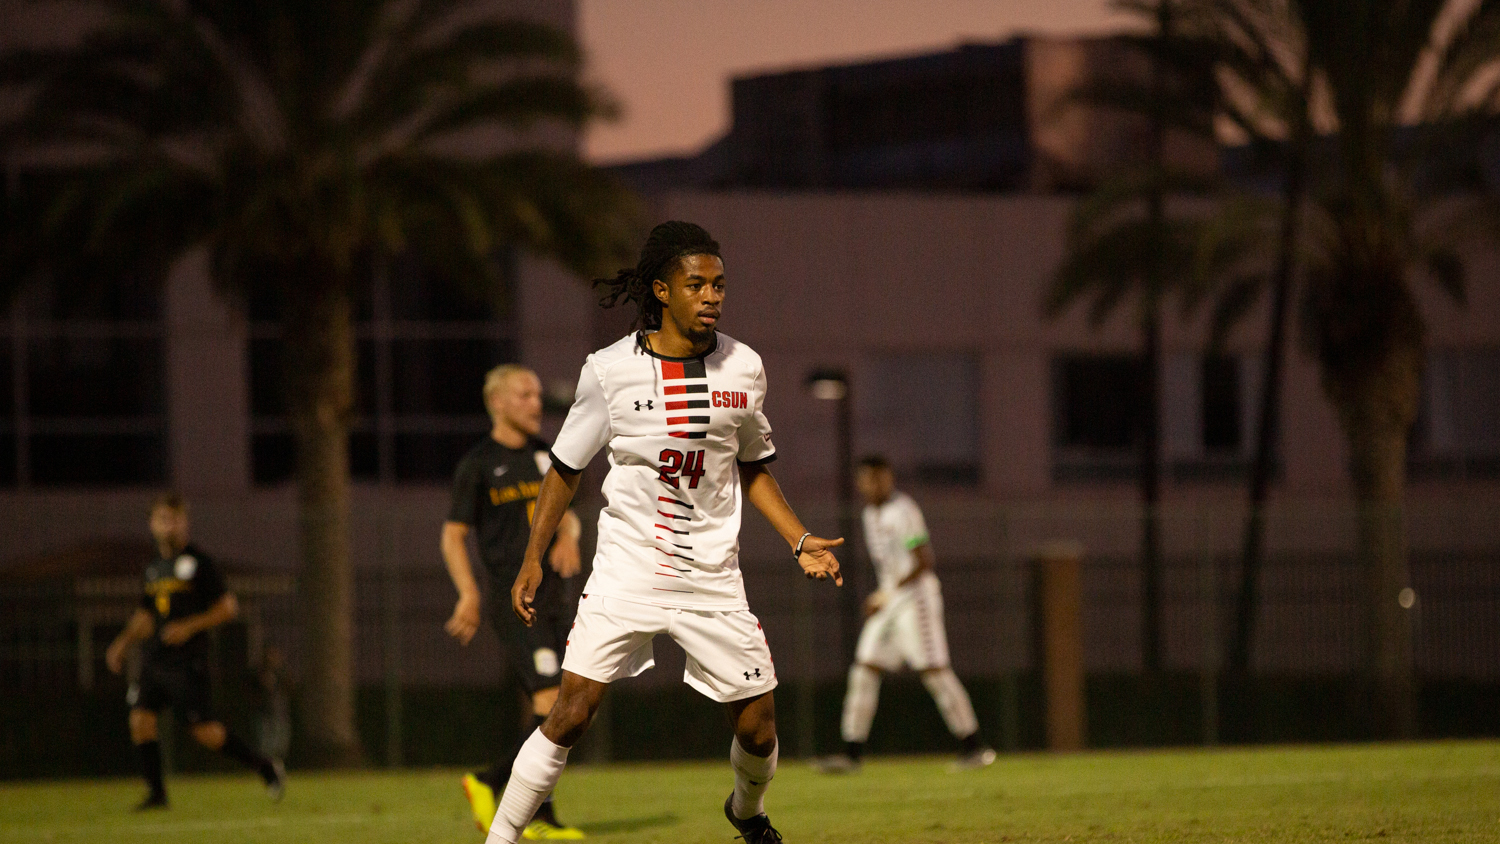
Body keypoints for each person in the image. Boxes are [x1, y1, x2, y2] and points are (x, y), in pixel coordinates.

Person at [482, 221, 844, 844]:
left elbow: (753, 466)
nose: (712, 296)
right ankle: (500, 840)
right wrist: (533, 557)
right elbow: (565, 472)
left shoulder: (744, 367)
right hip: (627, 572)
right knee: (569, 713)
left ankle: (747, 814)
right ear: (661, 290)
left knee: (759, 729)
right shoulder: (609, 371)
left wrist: (799, 538)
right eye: (696, 284)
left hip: (712, 577)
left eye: (720, 284)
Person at [444, 364, 586, 840]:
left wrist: (570, 535)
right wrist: (468, 593)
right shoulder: (479, 464)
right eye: (525, 395)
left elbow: (568, 512)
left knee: (556, 709)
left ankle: (516, 798)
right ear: (498, 403)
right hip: (516, 601)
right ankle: (515, 801)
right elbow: (453, 536)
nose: (535, 403)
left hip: (556, 600)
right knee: (556, 705)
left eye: (537, 394)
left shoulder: (547, 456)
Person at [813, 456, 996, 773]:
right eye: (869, 479)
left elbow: (924, 560)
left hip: (915, 600)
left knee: (935, 671)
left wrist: (887, 592)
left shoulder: (904, 510)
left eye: (880, 478)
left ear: (890, 478)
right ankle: (851, 754)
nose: (875, 485)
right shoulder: (870, 513)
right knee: (864, 669)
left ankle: (975, 748)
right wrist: (886, 594)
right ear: (860, 483)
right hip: (890, 601)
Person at [104, 493, 285, 809]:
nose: (168, 526)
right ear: (152, 525)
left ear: (184, 523)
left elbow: (228, 608)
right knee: (140, 720)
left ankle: (265, 766)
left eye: (174, 519)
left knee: (205, 732)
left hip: (188, 662)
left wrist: (190, 626)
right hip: (155, 660)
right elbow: (146, 615)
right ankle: (157, 795)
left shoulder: (201, 562)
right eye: (162, 519)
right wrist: (121, 644)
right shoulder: (154, 569)